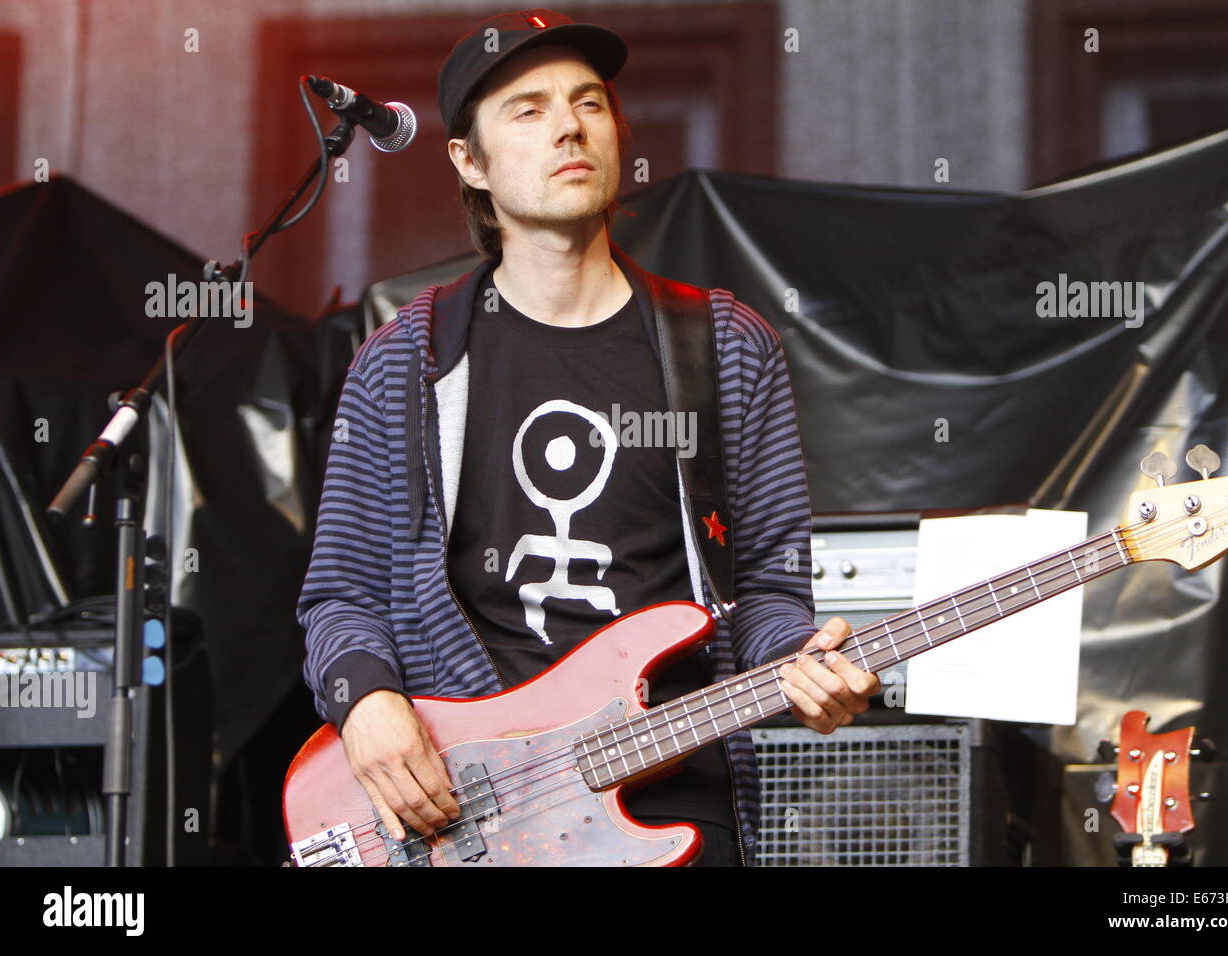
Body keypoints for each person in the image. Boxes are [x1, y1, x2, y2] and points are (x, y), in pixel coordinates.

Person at [296, 8, 880, 867]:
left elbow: (765, 589)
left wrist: (802, 665)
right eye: (526, 110)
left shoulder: (726, 348)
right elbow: (339, 594)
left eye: (589, 103)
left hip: (669, 795)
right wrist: (367, 701)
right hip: (468, 811)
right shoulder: (406, 359)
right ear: (470, 161)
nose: (569, 124)